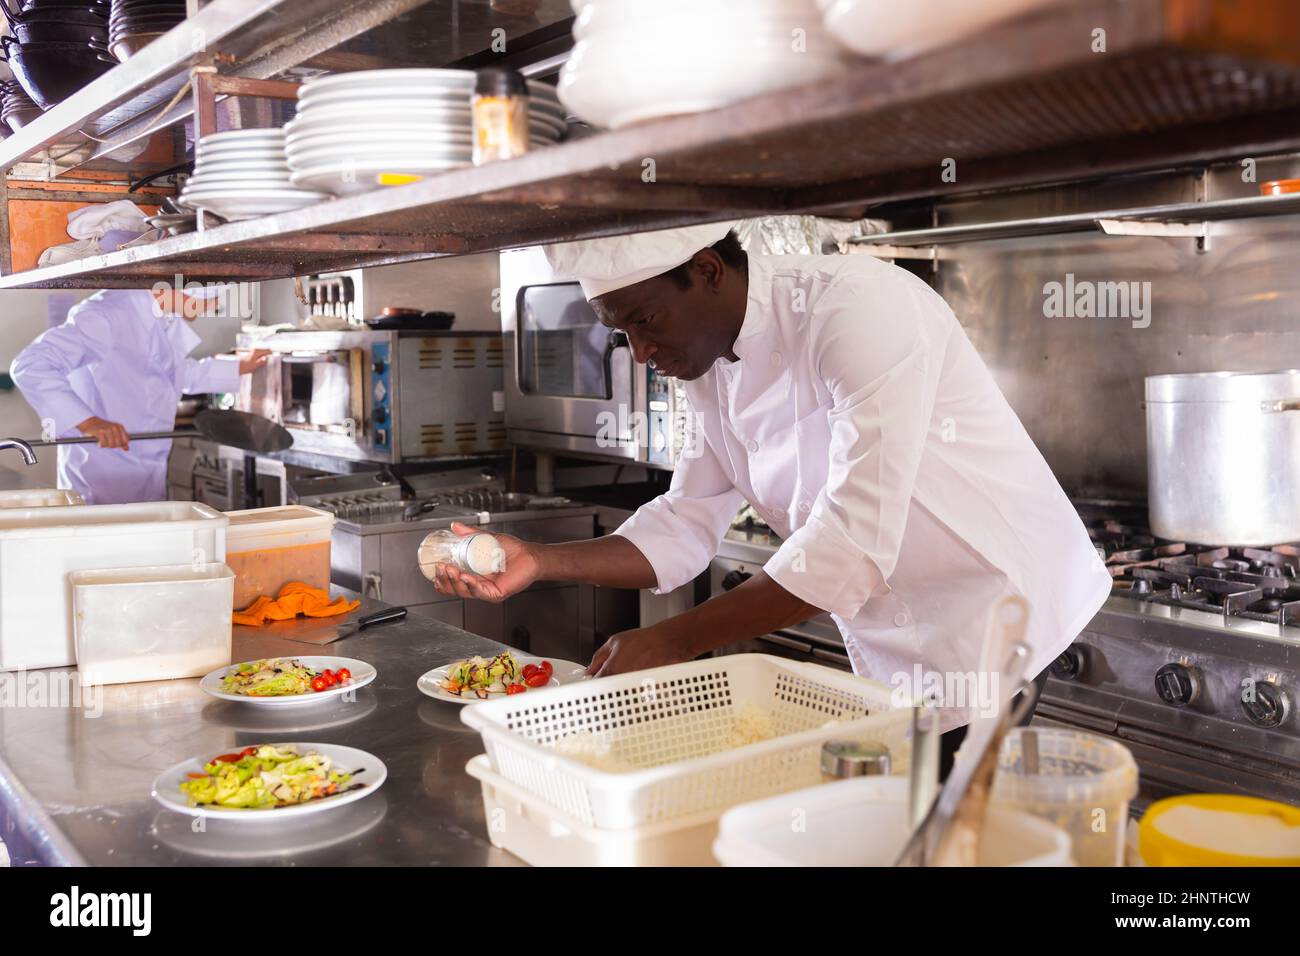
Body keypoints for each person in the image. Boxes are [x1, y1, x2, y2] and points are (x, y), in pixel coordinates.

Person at [428, 222, 1112, 771]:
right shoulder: (700, 367)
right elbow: (683, 524)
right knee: (908, 823)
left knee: (955, 833)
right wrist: (541, 561)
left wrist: (672, 640)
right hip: (897, 634)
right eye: (622, 332)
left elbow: (849, 544)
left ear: (707, 269)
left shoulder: (859, 308)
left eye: (646, 320)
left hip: (999, 606)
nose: (639, 351)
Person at [10, 286, 269, 505]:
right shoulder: (106, 314)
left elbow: (175, 374)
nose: (213, 307)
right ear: (185, 287)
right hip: (99, 476)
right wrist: (89, 422)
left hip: (147, 474)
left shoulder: (161, 318)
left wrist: (239, 366)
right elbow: (30, 366)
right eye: (214, 299)